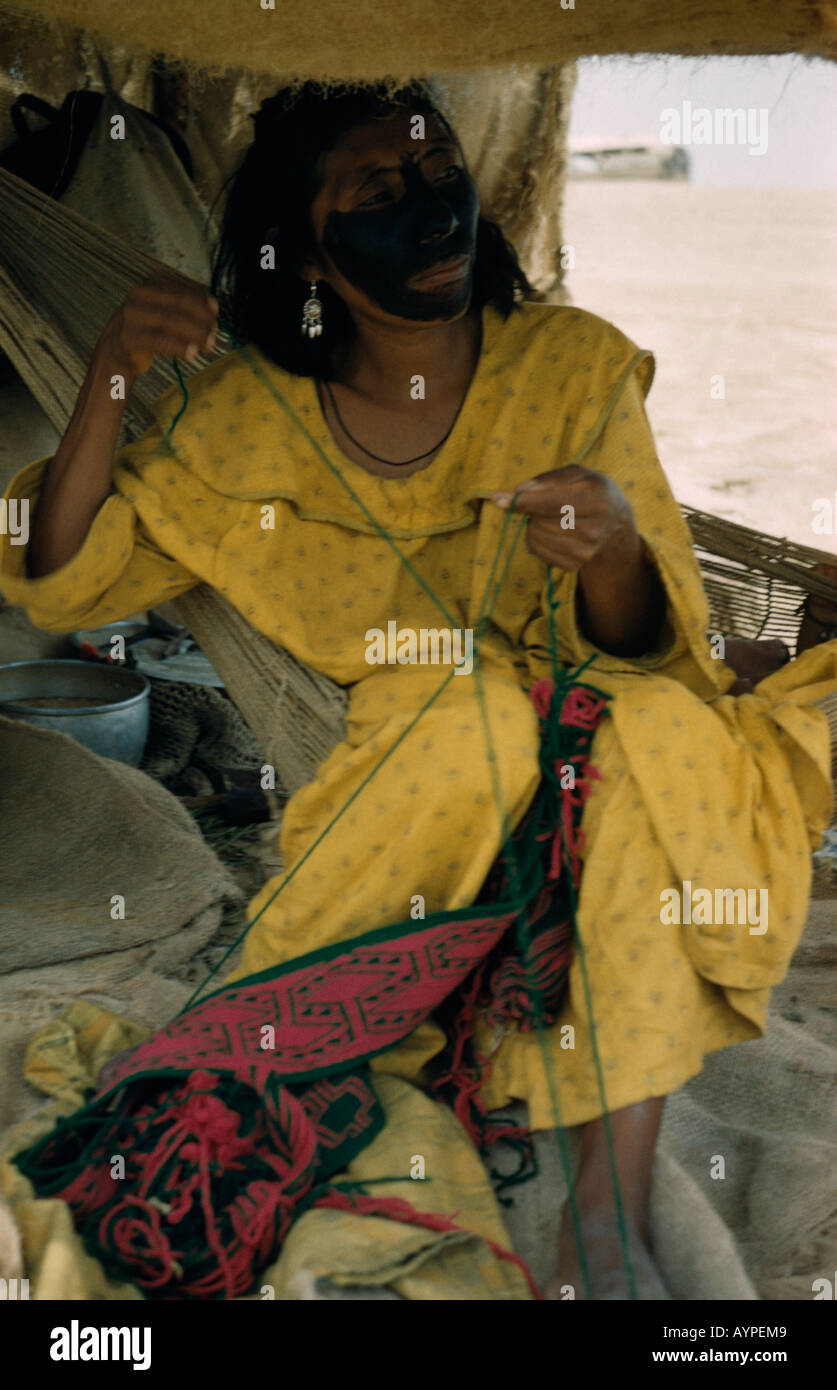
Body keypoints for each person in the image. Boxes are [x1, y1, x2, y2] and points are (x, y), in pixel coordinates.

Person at [2, 81, 835, 1300]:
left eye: (439, 169)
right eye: (377, 192)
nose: (431, 208)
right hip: (412, 754)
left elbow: (662, 651)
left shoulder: (570, 368)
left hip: (606, 717)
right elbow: (61, 577)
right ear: (310, 245)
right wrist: (109, 380)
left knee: (656, 735)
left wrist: (610, 554)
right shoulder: (245, 428)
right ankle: (356, 1016)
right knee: (478, 718)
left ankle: (610, 1203)